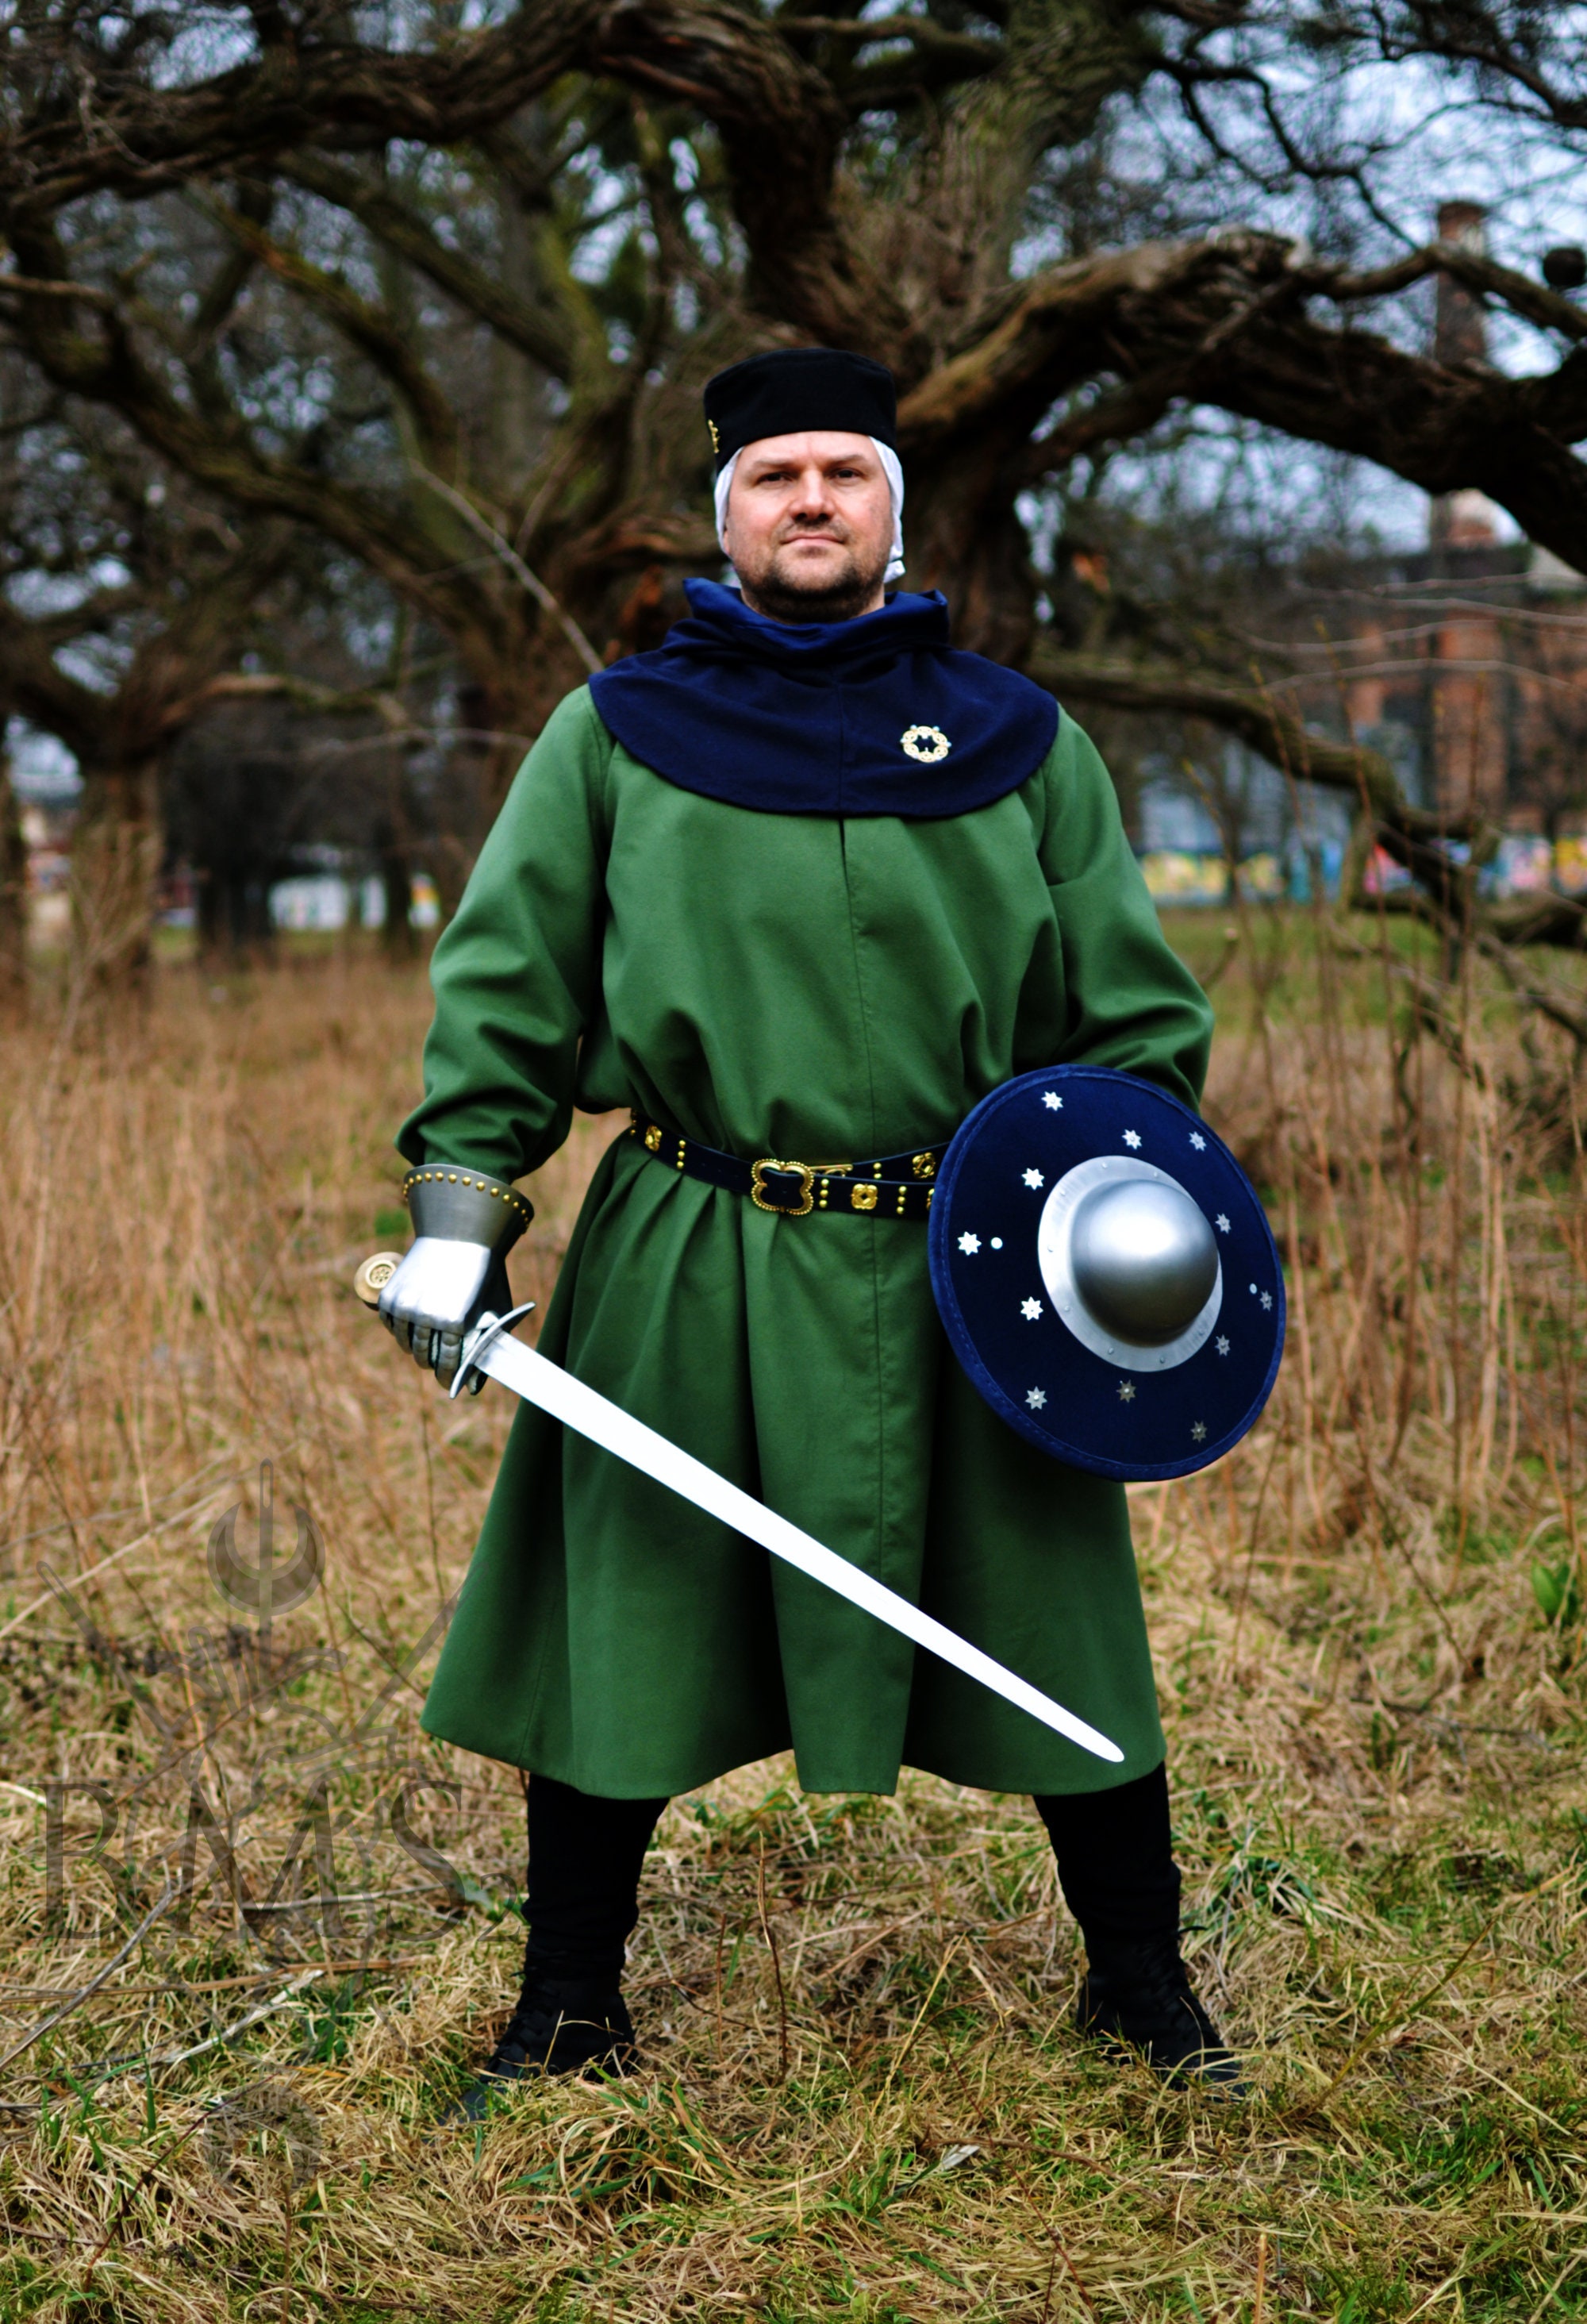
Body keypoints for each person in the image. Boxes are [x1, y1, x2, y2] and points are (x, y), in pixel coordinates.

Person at [379, 346, 1236, 2114]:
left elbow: (1132, 1025)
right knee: (621, 1621)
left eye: (846, 473)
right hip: (698, 1247)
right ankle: (567, 2012)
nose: (814, 503)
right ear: (726, 516)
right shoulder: (613, 735)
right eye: (778, 479)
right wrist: (463, 1214)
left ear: (892, 511)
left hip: (971, 1265)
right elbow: (509, 998)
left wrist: (1121, 1233)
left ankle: (1142, 1987)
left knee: (1055, 1620)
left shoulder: (1019, 740)